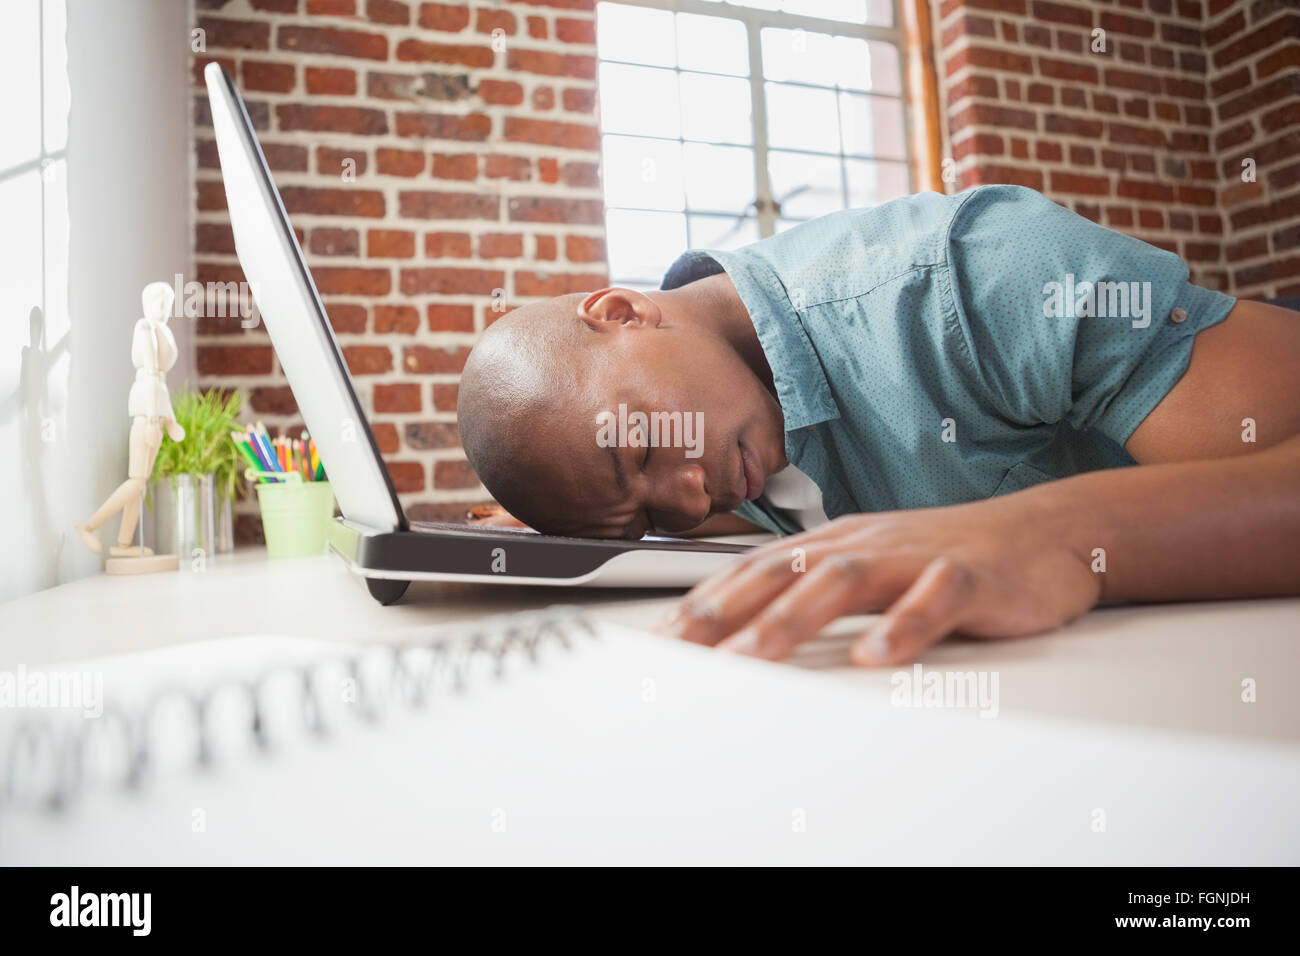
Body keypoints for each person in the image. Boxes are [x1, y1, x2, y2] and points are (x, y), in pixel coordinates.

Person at [457, 185, 1300, 666]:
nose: (683, 500)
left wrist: (1049, 536)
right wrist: (581, 521)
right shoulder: (719, 426)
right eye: (644, 515)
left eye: (642, 448)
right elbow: (703, 506)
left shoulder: (972, 276)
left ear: (623, 311)